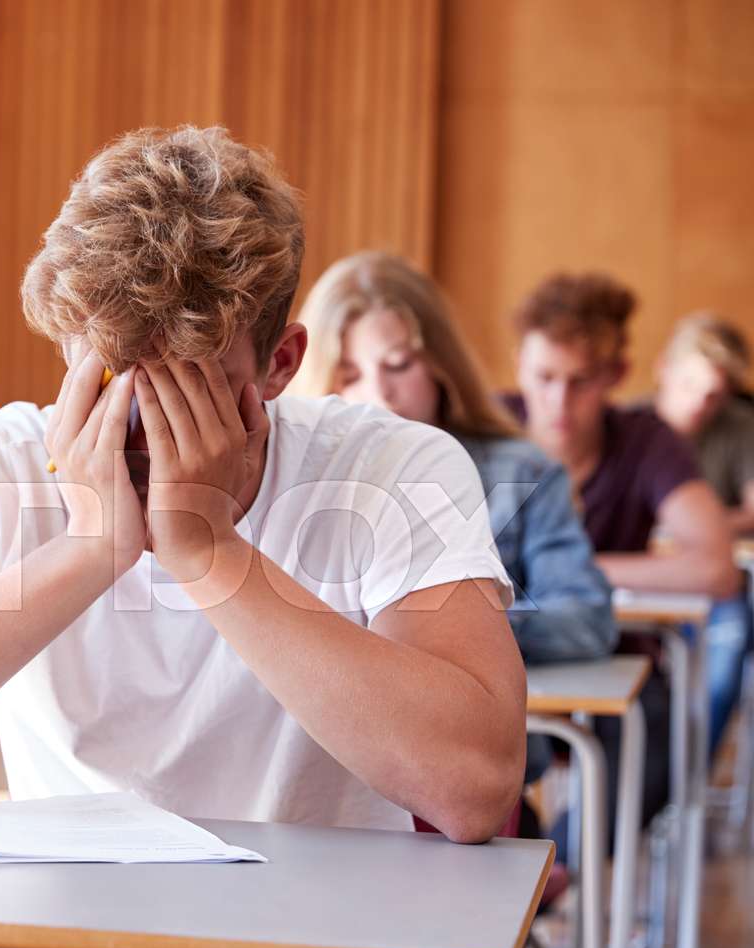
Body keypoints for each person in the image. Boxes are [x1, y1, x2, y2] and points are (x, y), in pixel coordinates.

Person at [0, 126, 526, 948]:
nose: (140, 435)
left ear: (282, 364)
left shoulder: (395, 465)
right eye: (110, 386)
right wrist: (95, 547)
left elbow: (474, 788)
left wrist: (209, 550)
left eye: (188, 400)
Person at [505, 273, 741, 846]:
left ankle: (557, 866)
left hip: (609, 659)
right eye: (545, 378)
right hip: (502, 653)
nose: (559, 401)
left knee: (662, 730)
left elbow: (716, 569)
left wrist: (578, 576)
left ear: (615, 375)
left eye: (580, 382)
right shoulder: (489, 432)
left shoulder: (646, 442)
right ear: (518, 367)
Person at [295, 251, 617, 668]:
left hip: (471, 725)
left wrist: (459, 628)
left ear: (441, 366)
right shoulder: (290, 480)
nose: (379, 395)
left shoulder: (523, 471)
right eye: (350, 374)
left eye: (399, 365)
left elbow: (587, 618)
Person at [654, 312, 754, 755]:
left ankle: (682, 781)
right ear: (664, 370)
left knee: (727, 648)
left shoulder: (738, 427)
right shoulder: (633, 427)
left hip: (709, 584)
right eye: (690, 386)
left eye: (714, 395)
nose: (700, 403)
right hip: (642, 579)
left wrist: (692, 528)